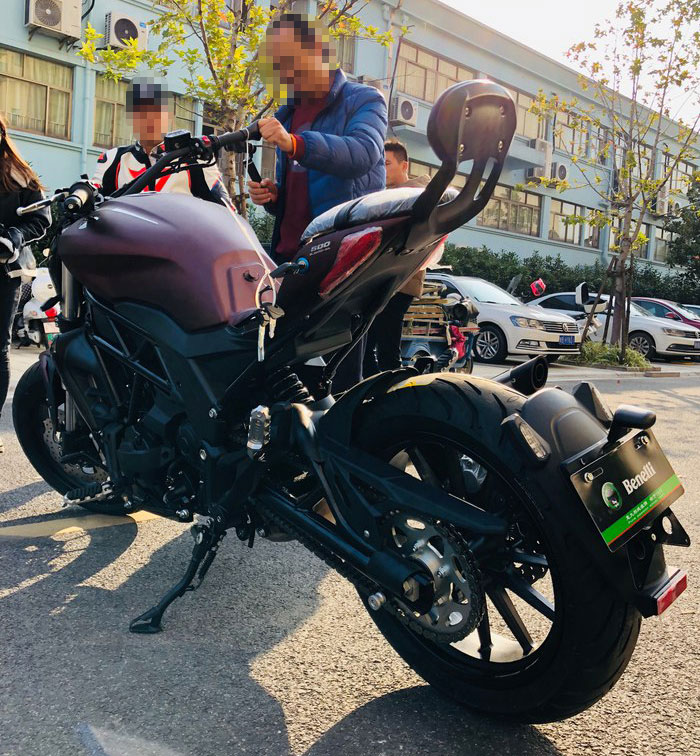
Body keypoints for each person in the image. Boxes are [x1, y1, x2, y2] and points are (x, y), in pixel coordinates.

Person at [250, 12, 387, 392]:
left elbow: (363, 152)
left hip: (340, 261)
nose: (283, 70)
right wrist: (275, 197)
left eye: (288, 58)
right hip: (290, 260)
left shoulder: (364, 100)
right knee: (279, 371)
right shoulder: (288, 113)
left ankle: (343, 429)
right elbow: (302, 187)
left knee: (340, 378)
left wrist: (294, 143)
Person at [92, 78, 231, 206]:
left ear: (168, 117)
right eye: (141, 112)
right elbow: (91, 202)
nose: (149, 119)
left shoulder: (195, 159)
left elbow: (227, 212)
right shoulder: (113, 159)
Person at [0, 113, 51, 452]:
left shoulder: (19, 174)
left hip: (4, 272)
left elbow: (41, 218)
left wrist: (14, 237)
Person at [363, 139, 431, 376]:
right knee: (367, 344)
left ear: (404, 165)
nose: (382, 169)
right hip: (382, 278)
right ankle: (377, 388)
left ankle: (393, 390)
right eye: (379, 164)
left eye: (387, 163)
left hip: (400, 280)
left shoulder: (417, 197)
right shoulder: (387, 196)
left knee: (385, 346)